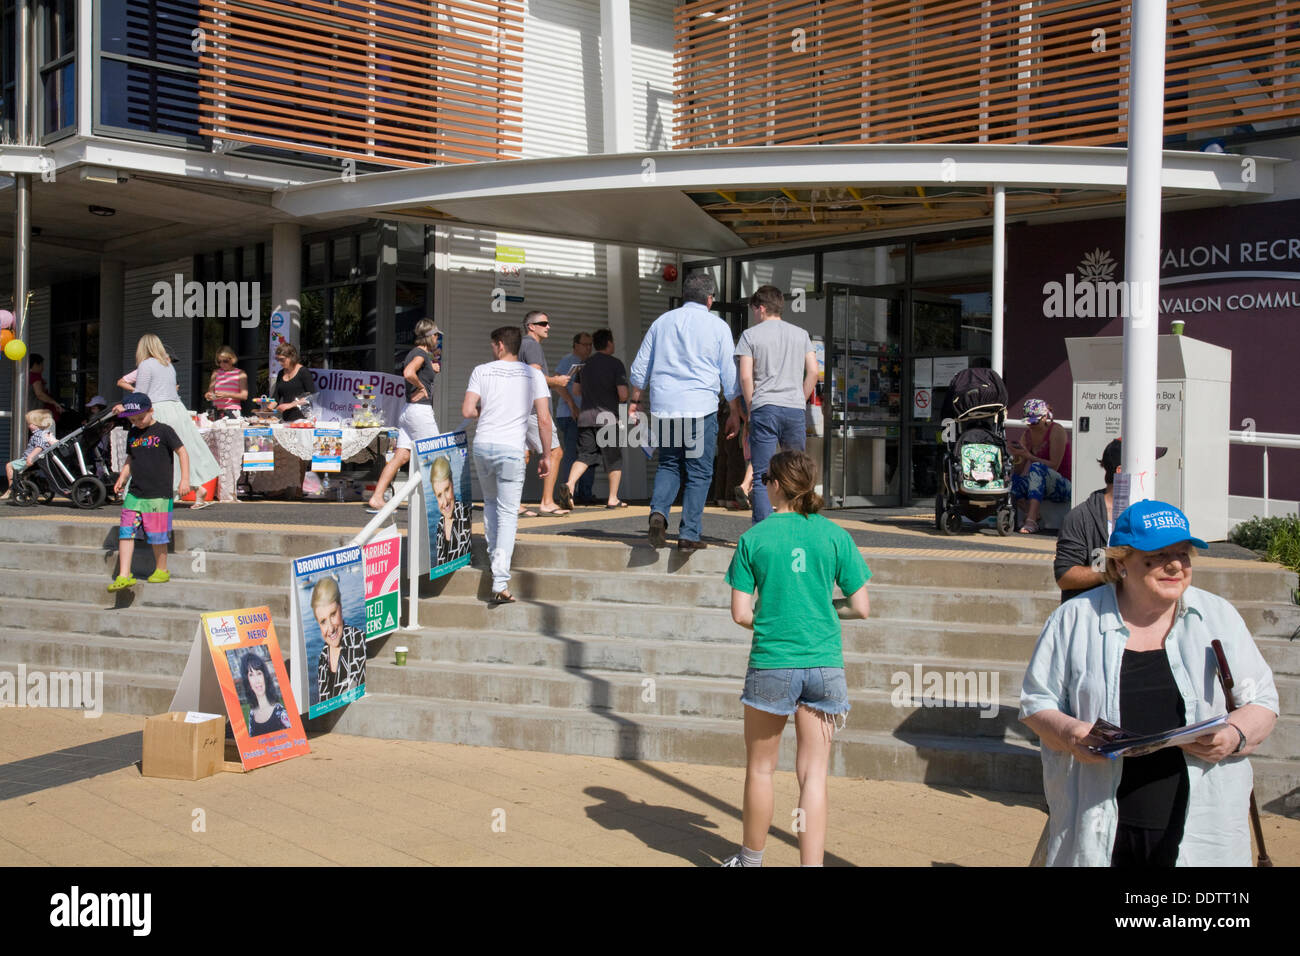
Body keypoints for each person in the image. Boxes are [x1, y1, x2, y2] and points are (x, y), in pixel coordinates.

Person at [1020, 499, 1279, 867]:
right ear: (1121, 562)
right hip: (1099, 826)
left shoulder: (1218, 616)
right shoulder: (1075, 618)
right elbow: (1036, 703)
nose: (1175, 565)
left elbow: (1263, 701)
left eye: (1183, 554)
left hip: (1201, 827)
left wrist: (1233, 736)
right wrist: (1073, 734)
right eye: (1156, 556)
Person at [722, 450, 871, 867]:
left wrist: (774, 620)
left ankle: (751, 861)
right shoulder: (835, 535)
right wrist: (825, 610)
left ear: (774, 485)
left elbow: (740, 613)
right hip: (825, 664)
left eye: (766, 478)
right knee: (814, 776)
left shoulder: (755, 538)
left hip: (773, 662)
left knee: (762, 770)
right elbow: (861, 607)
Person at [629, 271, 742, 551]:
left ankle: (659, 514)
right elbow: (729, 375)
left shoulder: (662, 322)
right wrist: (735, 411)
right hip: (700, 408)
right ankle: (689, 533)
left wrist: (635, 400)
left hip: (666, 407)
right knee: (699, 472)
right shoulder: (718, 327)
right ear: (710, 299)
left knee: (669, 464)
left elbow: (639, 368)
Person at [462, 326, 552, 604]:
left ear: (500, 345)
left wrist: (486, 412)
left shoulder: (481, 371)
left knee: (490, 503)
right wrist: (546, 454)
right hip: (512, 448)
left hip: (483, 445)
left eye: (493, 345)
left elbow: (467, 411)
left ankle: (495, 562)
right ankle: (499, 580)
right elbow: (544, 418)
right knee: (509, 511)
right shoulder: (533, 374)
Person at [736, 285, 819, 523]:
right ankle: (799, 522)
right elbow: (813, 372)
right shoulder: (800, 334)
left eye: (754, 309)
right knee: (796, 469)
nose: (754, 314)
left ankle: (762, 528)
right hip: (793, 408)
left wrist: (752, 408)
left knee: (762, 472)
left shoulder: (750, 335)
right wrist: (799, 399)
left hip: (764, 407)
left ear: (761, 308)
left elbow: (745, 377)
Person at [1054, 438, 1169, 602]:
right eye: (1147, 467)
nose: (1155, 473)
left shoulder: (1158, 515)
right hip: (1097, 616)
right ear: (1121, 472)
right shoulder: (1081, 517)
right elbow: (1065, 577)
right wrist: (1113, 570)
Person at [119, 334, 219, 510]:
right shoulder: (167, 365)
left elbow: (141, 394)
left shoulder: (145, 365)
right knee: (184, 448)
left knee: (152, 451)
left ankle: (138, 492)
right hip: (177, 408)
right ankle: (198, 488)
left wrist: (125, 407)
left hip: (158, 409)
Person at [107, 393, 190, 592]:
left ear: (151, 411)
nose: (137, 423)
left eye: (140, 418)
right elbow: (130, 458)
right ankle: (124, 574)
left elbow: (182, 451)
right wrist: (123, 477)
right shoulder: (133, 434)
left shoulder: (164, 431)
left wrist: (185, 479)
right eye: (132, 419)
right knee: (126, 531)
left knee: (157, 534)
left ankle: (162, 569)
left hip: (158, 494)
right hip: (135, 492)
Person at [366, 319, 442, 512]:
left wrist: (431, 368)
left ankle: (377, 497)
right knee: (435, 454)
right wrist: (421, 386)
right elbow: (408, 373)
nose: (437, 339)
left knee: (401, 457)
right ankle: (437, 503)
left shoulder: (418, 354)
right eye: (435, 335)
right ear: (428, 336)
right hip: (420, 412)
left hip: (408, 410)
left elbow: (413, 370)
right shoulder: (419, 354)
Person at [559, 328, 628, 508]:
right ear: (610, 343)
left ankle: (569, 485)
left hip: (586, 418)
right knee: (613, 458)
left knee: (585, 456)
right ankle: (613, 498)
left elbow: (576, 391)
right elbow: (622, 395)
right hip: (608, 418)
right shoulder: (615, 364)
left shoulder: (584, 364)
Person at [519, 311, 570, 516]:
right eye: (543, 323)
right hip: (534, 409)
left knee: (522, 455)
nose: (548, 327)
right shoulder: (532, 345)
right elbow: (535, 376)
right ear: (531, 326)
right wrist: (557, 382)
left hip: (520, 408)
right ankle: (547, 502)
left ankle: (513, 503)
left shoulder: (519, 345)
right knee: (556, 452)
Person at [1011, 398, 1071, 533]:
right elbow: (1019, 471)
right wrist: (1017, 456)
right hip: (1039, 482)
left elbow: (1054, 466)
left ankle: (1031, 520)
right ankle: (1031, 512)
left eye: (1034, 422)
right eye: (1028, 422)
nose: (1031, 425)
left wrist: (1029, 456)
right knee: (1012, 479)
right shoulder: (1026, 435)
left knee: (1037, 468)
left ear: (1044, 417)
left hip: (1062, 484)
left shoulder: (1056, 430)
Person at [312, 575, 367, 705]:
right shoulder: (322, 658)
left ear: (341, 607)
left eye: (333, 614)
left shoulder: (360, 641)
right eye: (323, 621)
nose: (330, 628)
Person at [555, 331, 596, 504]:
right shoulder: (569, 360)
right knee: (573, 454)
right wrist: (572, 405)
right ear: (575, 345)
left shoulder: (589, 363)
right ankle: (567, 492)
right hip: (571, 415)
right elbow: (558, 384)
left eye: (590, 344)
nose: (588, 347)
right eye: (585, 344)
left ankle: (584, 493)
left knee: (588, 454)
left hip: (586, 415)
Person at [2, 409, 57, 500]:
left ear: (38, 424)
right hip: (39, 460)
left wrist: (30, 457)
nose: (28, 425)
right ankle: (26, 486)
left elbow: (39, 447)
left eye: (30, 424)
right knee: (24, 473)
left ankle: (11, 489)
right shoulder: (47, 433)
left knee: (9, 466)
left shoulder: (38, 435)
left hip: (31, 459)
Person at [430, 454, 472, 565]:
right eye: (439, 495)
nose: (445, 502)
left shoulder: (465, 514)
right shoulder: (440, 524)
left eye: (447, 489)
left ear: (453, 484)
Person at [241, 652, 292, 738]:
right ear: (247, 681)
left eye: (259, 673)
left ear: (265, 676)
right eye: (251, 675)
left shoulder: (280, 713)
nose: (257, 680)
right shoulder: (252, 714)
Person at [270, 343, 313, 422]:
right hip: (287, 419)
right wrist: (265, 410)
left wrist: (290, 405)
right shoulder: (281, 373)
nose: (280, 363)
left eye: (282, 359)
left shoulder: (303, 372)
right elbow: (276, 397)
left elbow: (312, 396)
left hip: (303, 419)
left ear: (291, 357)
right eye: (278, 360)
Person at [204, 346, 249, 418]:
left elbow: (244, 396)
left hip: (232, 411)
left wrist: (226, 395)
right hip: (216, 411)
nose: (222, 364)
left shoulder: (240, 373)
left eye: (225, 361)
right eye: (219, 361)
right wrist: (208, 395)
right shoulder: (216, 373)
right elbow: (210, 392)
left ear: (232, 359)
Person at [26, 354, 64, 421]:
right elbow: (40, 394)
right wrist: (54, 403)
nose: (43, 368)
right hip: (37, 414)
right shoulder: (35, 376)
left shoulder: (26, 376)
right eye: (41, 365)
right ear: (35, 365)